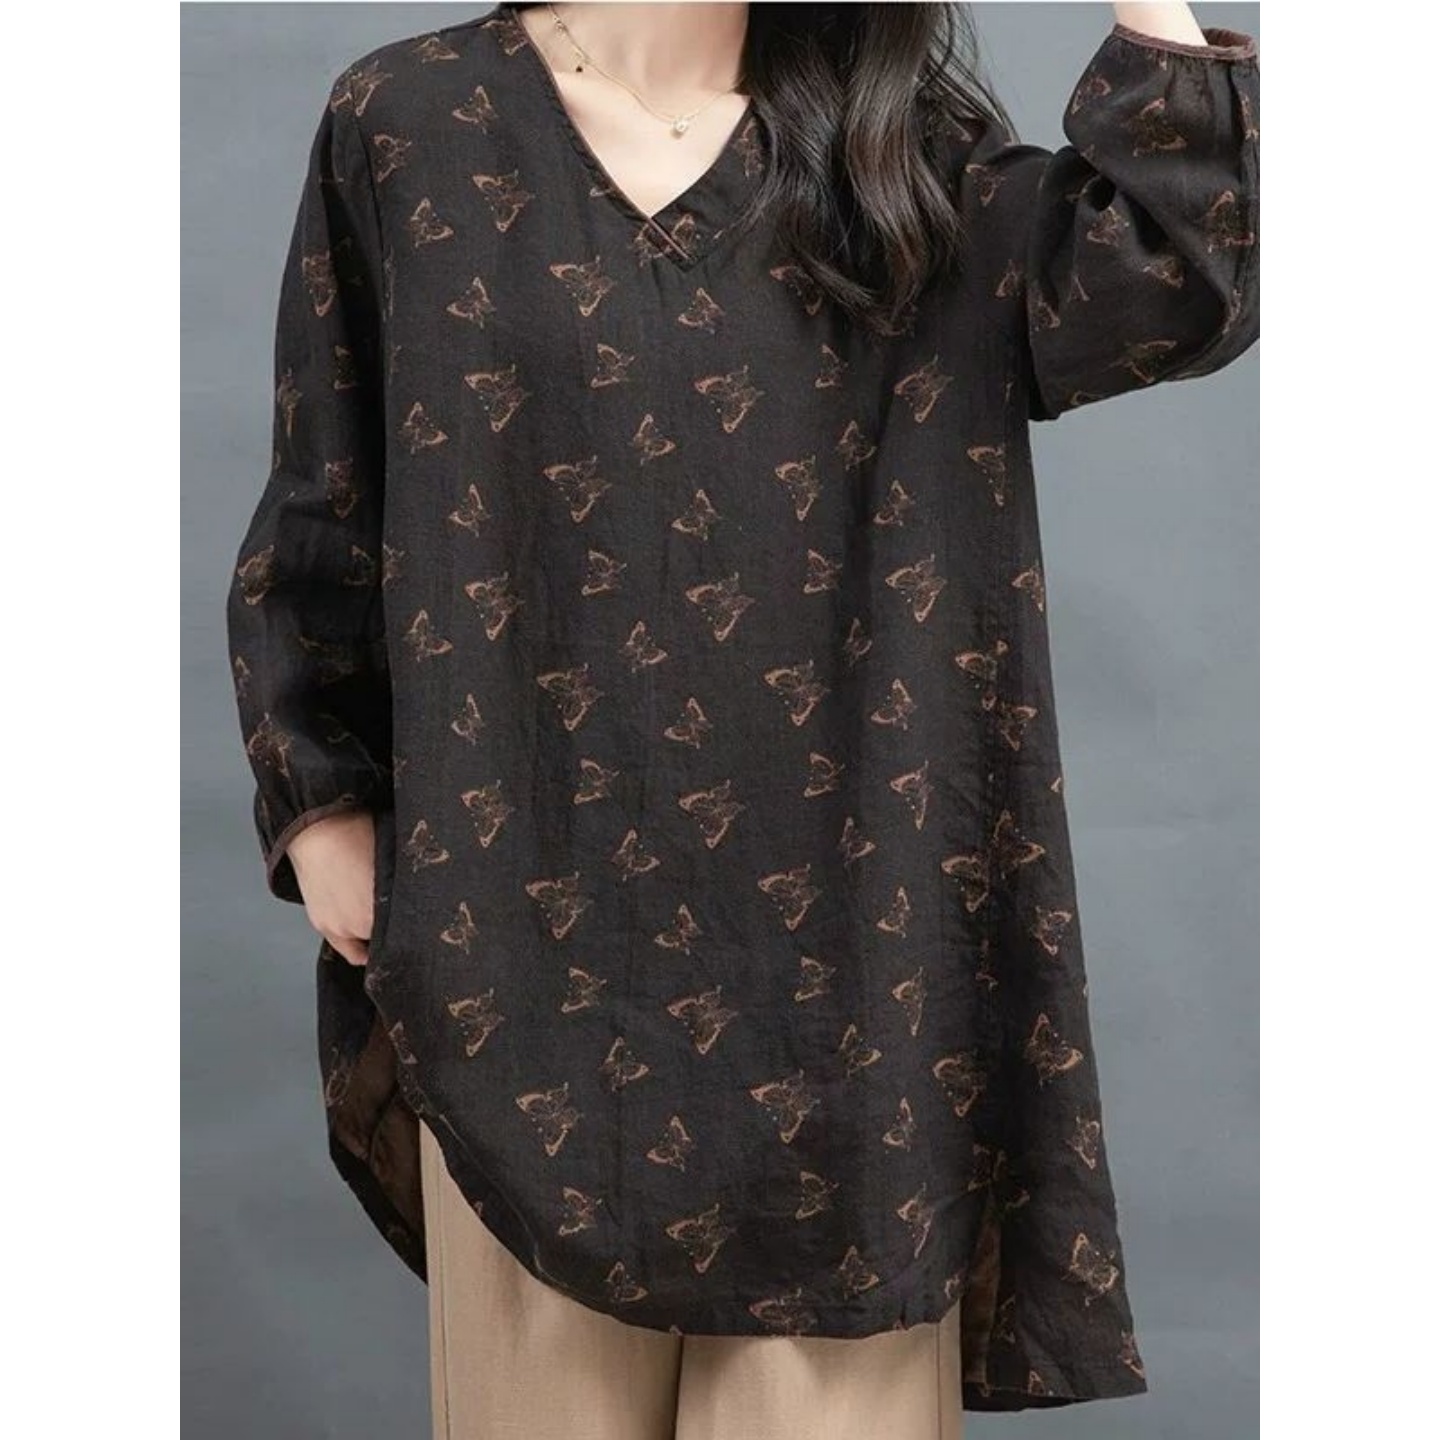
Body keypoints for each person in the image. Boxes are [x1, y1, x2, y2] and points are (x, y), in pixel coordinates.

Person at [224, 2, 1258, 1436]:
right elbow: (326, 491)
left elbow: (1187, 266)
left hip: (858, 1014)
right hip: (518, 959)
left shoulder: (910, 159)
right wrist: (320, 801)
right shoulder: (412, 121)